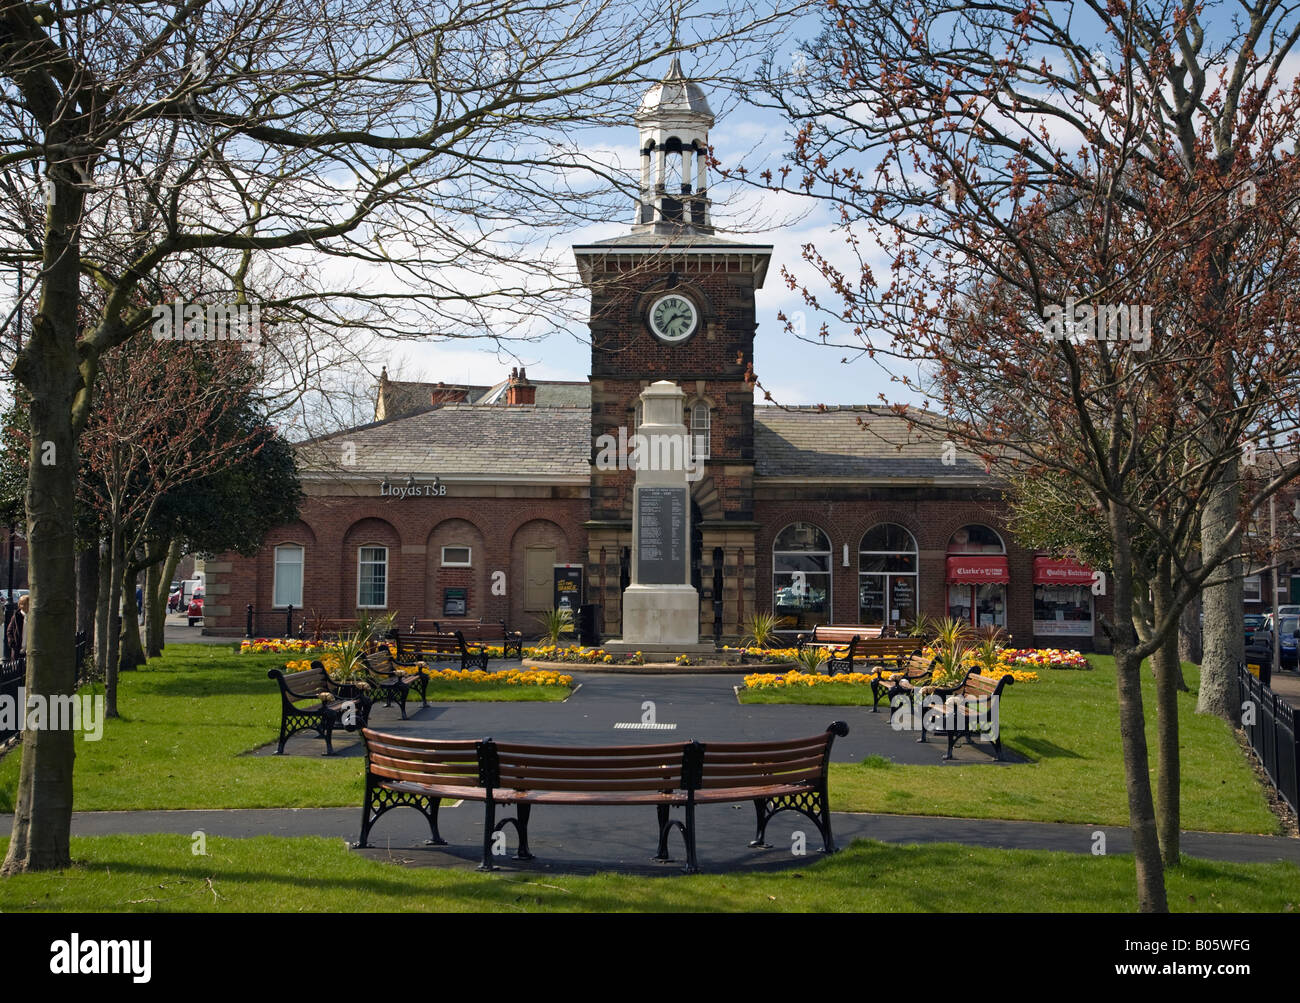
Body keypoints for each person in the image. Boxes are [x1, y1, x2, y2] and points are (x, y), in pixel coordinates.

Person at [6, 594, 28, 659]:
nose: (25, 606)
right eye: (22, 604)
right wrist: (12, 643)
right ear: (19, 605)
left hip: (30, 652)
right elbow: (9, 631)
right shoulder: (16, 616)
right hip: (18, 651)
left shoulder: (34, 617)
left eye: (27, 604)